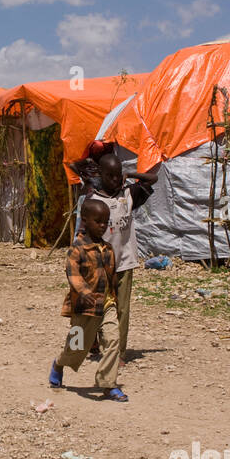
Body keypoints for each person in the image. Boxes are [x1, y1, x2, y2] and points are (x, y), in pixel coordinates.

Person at [79, 147, 156, 361]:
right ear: (101, 175)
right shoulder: (93, 200)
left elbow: (153, 179)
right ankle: (94, 342)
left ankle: (117, 353)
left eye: (117, 175)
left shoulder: (128, 195)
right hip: (100, 263)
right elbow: (83, 232)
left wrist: (130, 175)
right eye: (109, 176)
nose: (114, 180)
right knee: (98, 307)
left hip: (124, 261)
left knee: (122, 309)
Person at [49, 199, 127, 401]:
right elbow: (73, 277)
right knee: (75, 347)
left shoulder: (108, 248)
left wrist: (115, 299)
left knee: (113, 341)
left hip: (106, 305)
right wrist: (86, 293)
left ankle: (108, 384)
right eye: (98, 221)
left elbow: (112, 276)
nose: (103, 226)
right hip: (83, 309)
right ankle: (59, 363)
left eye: (105, 222)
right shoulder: (77, 250)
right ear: (84, 221)